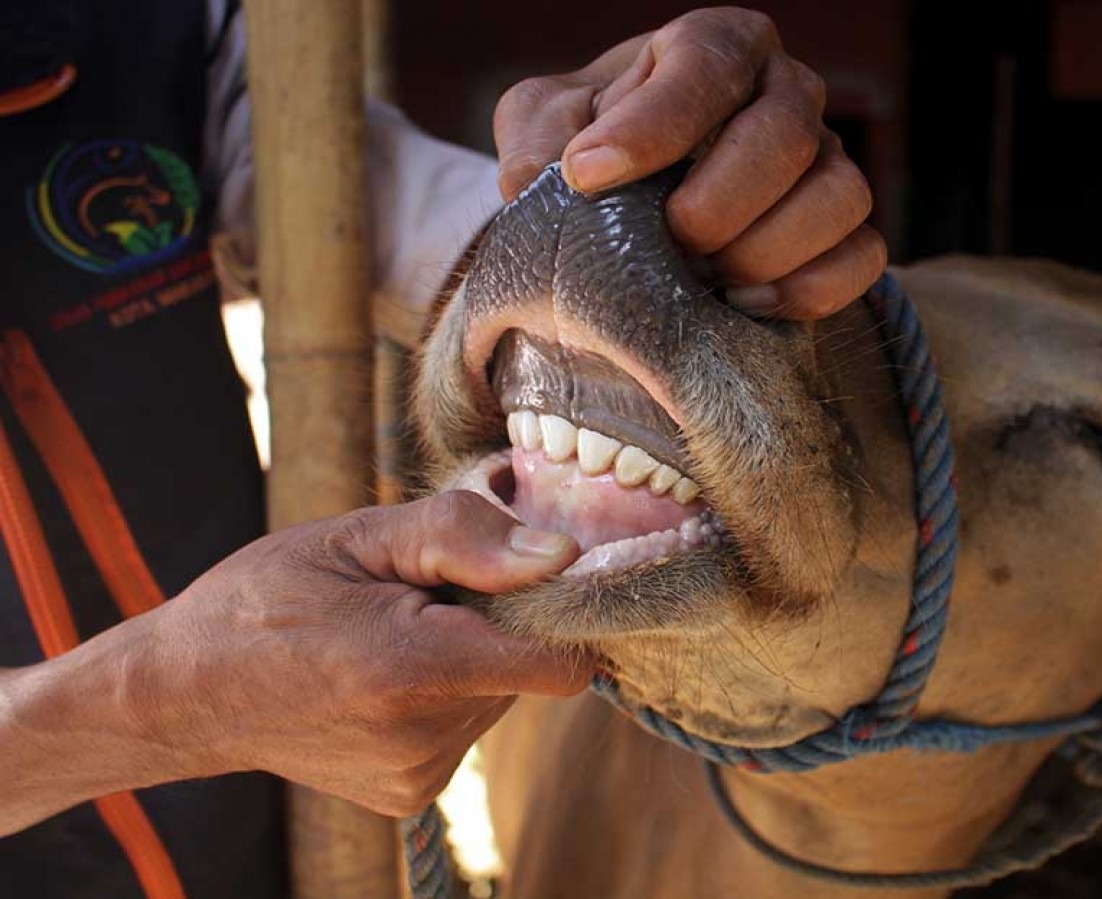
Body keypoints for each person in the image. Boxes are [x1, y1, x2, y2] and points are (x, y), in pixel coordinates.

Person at [0, 2, 886, 895]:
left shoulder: (139, 32)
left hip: (291, 851)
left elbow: (369, 211)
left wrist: (646, 190)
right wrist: (148, 708)